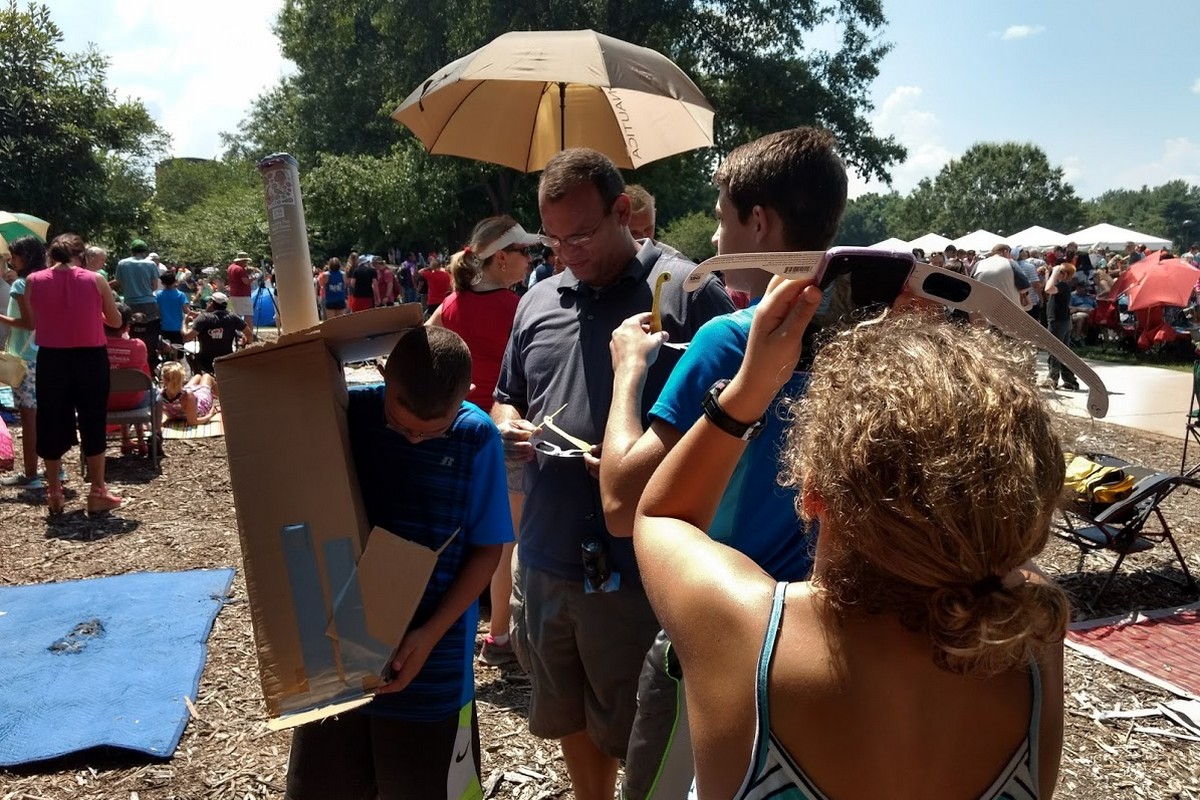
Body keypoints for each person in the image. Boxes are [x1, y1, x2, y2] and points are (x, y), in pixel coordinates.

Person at [633, 282, 1067, 800]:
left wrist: (751, 386)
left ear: (813, 492)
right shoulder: (1030, 642)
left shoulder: (748, 634)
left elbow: (660, 514)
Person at [599, 127, 848, 799]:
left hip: (710, 646)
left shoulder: (728, 343)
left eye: (721, 221)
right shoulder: (865, 348)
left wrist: (628, 372)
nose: (713, 241)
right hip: (815, 649)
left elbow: (623, 505)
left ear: (760, 224)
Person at [491, 147, 733, 800]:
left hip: (638, 570)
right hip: (544, 557)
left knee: (642, 734)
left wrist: (639, 464)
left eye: (582, 234)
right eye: (554, 239)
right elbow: (506, 393)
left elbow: (732, 434)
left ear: (624, 211)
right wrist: (505, 425)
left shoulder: (685, 295)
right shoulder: (537, 298)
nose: (567, 252)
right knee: (567, 712)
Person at [285, 326, 513, 800]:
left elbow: (487, 549)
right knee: (325, 780)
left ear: (466, 396)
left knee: (422, 783)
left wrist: (428, 636)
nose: (413, 439)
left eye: (432, 432)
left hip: (434, 657)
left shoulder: (476, 437)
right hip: (337, 648)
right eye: (402, 425)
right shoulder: (352, 412)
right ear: (383, 376)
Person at [427, 215, 539, 667]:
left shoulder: (452, 303)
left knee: (467, 535)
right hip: (505, 432)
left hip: (459, 428)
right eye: (525, 252)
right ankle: (499, 637)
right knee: (506, 539)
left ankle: (460, 627)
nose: (532, 259)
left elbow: (423, 340)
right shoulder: (518, 307)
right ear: (502, 260)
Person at [24, 233, 123, 514]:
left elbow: (32, 320)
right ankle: (97, 490)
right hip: (90, 357)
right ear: (81, 256)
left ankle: (54, 490)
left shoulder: (34, 280)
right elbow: (115, 321)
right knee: (93, 418)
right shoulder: (95, 280)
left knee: (51, 419)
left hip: (52, 358)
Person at [0, 236, 47, 488]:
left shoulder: (21, 285)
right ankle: (52, 469)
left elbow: (29, 323)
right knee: (43, 415)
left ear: (25, 258)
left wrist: (1, 318)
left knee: (28, 418)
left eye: (14, 256)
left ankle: (31, 474)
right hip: (45, 353)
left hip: (26, 358)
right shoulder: (45, 281)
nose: (11, 260)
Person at [104, 302, 152, 455]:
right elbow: (145, 377)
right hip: (133, 402)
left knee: (121, 388)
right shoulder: (139, 346)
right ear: (126, 326)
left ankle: (125, 439)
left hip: (102, 402)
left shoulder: (93, 347)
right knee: (148, 391)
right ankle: (148, 438)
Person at [115, 239, 162, 367]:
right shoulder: (151, 264)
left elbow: (119, 282)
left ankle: (131, 357)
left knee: (130, 330)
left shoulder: (122, 263)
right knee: (150, 331)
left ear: (132, 250)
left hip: (130, 302)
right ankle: (150, 358)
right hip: (148, 302)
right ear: (145, 252)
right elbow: (154, 286)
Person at [185, 292, 248, 375]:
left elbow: (187, 337)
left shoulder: (203, 318)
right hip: (225, 359)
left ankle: (199, 376)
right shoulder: (233, 317)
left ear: (212, 304)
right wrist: (244, 343)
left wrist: (184, 322)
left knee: (187, 351)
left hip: (205, 361)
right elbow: (249, 335)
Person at [1042, 262, 1081, 392]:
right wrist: (1049, 273)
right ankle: (1070, 380)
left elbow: (1048, 289)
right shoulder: (1063, 286)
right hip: (1063, 321)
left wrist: (1054, 272)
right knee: (1064, 352)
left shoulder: (1063, 285)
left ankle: (1052, 380)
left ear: (1063, 274)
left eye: (1058, 271)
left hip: (1058, 322)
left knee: (1054, 350)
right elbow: (1048, 290)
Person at [160, 361, 218, 427]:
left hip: (182, 404)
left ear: (163, 379)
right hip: (199, 408)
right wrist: (210, 415)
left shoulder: (159, 395)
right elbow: (193, 422)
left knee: (197, 376)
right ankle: (224, 399)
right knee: (207, 377)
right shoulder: (187, 396)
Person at [156, 270, 190, 347]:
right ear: (175, 281)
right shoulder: (181, 295)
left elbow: (157, 312)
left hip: (164, 328)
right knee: (178, 351)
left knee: (165, 351)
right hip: (178, 328)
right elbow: (186, 311)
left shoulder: (158, 295)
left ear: (162, 283)